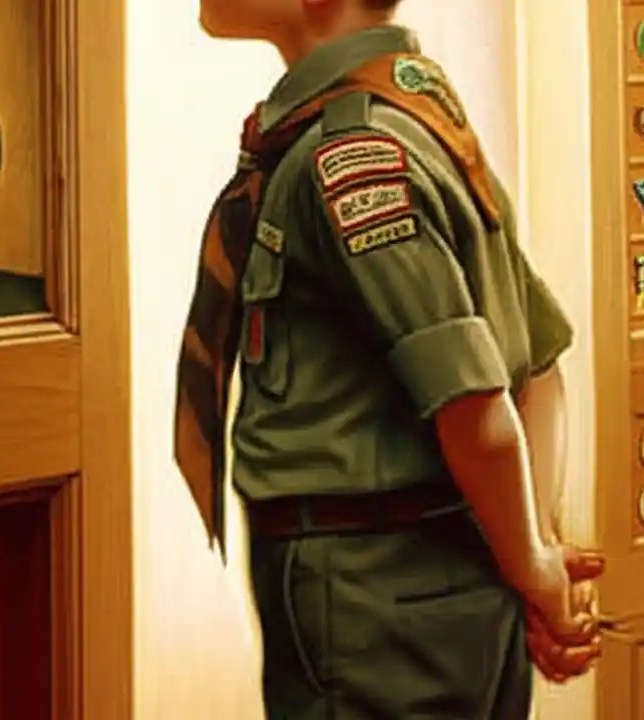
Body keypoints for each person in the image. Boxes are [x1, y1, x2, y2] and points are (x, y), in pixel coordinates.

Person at [170, 0, 607, 718]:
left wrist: (533, 562)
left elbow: (478, 402)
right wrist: (532, 548)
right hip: (437, 575)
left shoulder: (348, 158)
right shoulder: (417, 116)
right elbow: (538, 364)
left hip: (372, 594)